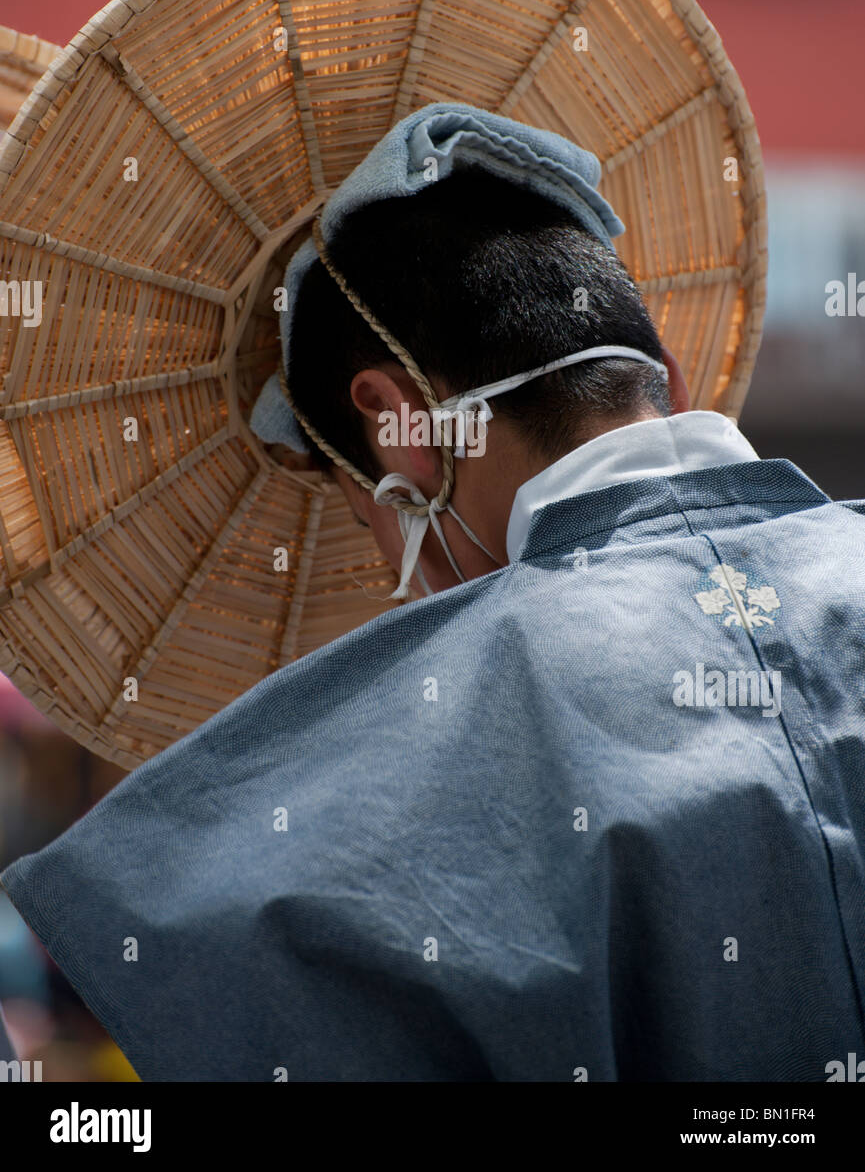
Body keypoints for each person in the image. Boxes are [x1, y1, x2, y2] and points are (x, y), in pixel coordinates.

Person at [2, 104, 865, 1082]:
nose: (386, 568)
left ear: (396, 428)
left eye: (359, 508)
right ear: (662, 373)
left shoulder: (342, 784)